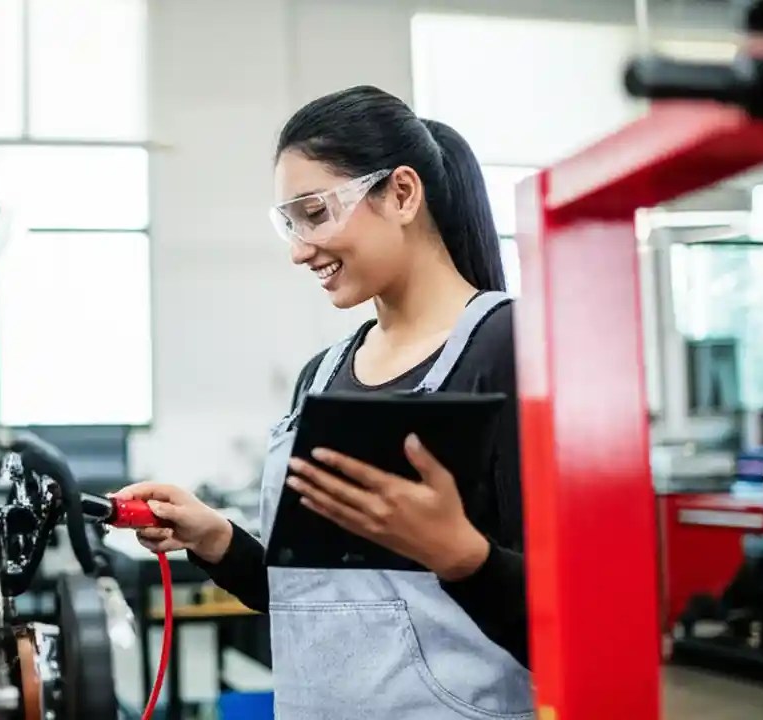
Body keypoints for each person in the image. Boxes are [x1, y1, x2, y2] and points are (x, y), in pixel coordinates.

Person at [115, 85, 533, 720]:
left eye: (315, 213)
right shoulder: (323, 374)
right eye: (289, 222)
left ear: (401, 193)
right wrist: (217, 538)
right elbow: (320, 606)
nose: (299, 249)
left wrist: (460, 557)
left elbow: (572, 619)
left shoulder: (507, 347)